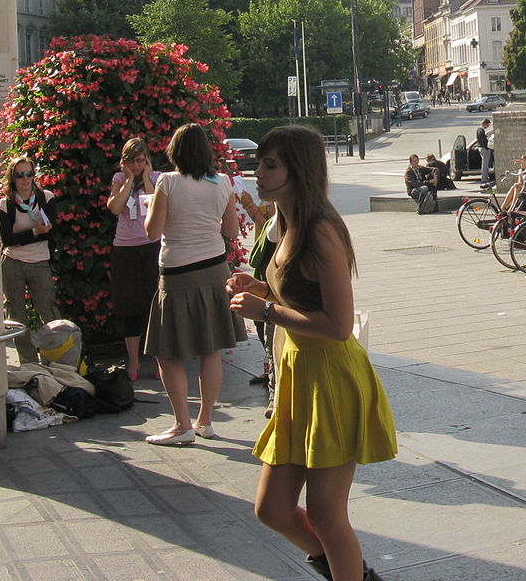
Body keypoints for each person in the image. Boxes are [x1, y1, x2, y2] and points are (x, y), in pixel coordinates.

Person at [227, 125, 396, 581]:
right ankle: (351, 571)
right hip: (298, 378)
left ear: (298, 170)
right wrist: (262, 288)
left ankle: (350, 573)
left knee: (325, 514)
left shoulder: (320, 230)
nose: (258, 173)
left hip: (331, 380)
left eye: (270, 165)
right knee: (272, 509)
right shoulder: (285, 223)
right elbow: (300, 297)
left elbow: (338, 327)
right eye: (260, 163)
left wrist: (267, 311)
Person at [142, 123, 244, 445]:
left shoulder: (167, 182)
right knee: (210, 348)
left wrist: (150, 206)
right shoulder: (223, 182)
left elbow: (152, 231)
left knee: (167, 352)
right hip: (215, 269)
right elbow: (231, 231)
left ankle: (182, 425)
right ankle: (205, 421)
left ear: (175, 151)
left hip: (178, 274)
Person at [106, 138, 162, 381]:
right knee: (129, 305)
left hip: (150, 245)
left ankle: (160, 361)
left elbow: (155, 207)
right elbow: (114, 208)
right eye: (132, 161)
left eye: (140, 160)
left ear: (147, 160)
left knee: (155, 304)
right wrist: (128, 180)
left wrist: (147, 178)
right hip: (125, 248)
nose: (137, 165)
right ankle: (134, 362)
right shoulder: (120, 179)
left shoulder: (157, 178)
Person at [0, 156, 61, 364]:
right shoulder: (5, 205)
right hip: (13, 262)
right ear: (12, 178)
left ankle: (54, 360)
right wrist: (35, 232)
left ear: (34, 176)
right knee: (16, 316)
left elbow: (51, 232)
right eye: (20, 175)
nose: (25, 179)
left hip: (39, 261)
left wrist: (28, 236)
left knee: (49, 312)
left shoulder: (46, 198)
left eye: (29, 174)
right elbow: (8, 240)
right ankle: (28, 363)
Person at [475, 118, 493, 187]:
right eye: (487, 125)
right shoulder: (481, 130)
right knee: (485, 165)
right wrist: (487, 147)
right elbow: (482, 140)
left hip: (481, 148)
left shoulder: (479, 129)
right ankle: (484, 179)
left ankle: (485, 178)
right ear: (484, 124)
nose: (488, 126)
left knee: (485, 164)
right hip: (483, 148)